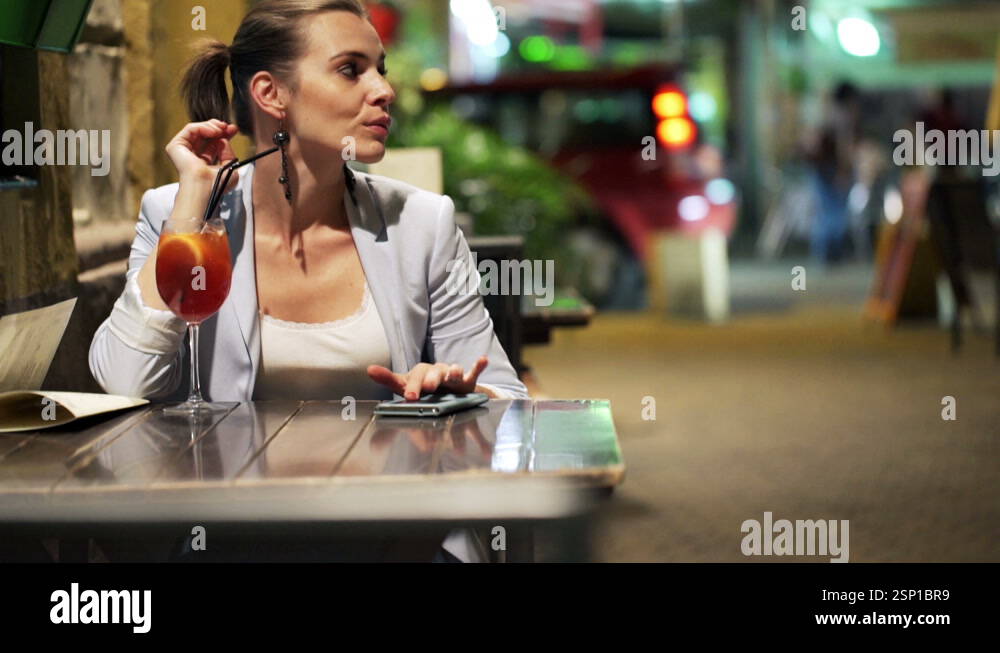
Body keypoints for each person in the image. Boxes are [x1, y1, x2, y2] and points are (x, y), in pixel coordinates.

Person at [88, 0, 528, 562]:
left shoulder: (422, 224)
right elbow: (125, 384)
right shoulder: (175, 214)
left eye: (381, 69)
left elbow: (510, 402)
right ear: (272, 95)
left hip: (389, 537)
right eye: (351, 69)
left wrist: (455, 393)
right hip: (226, 537)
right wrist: (188, 213)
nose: (383, 90)